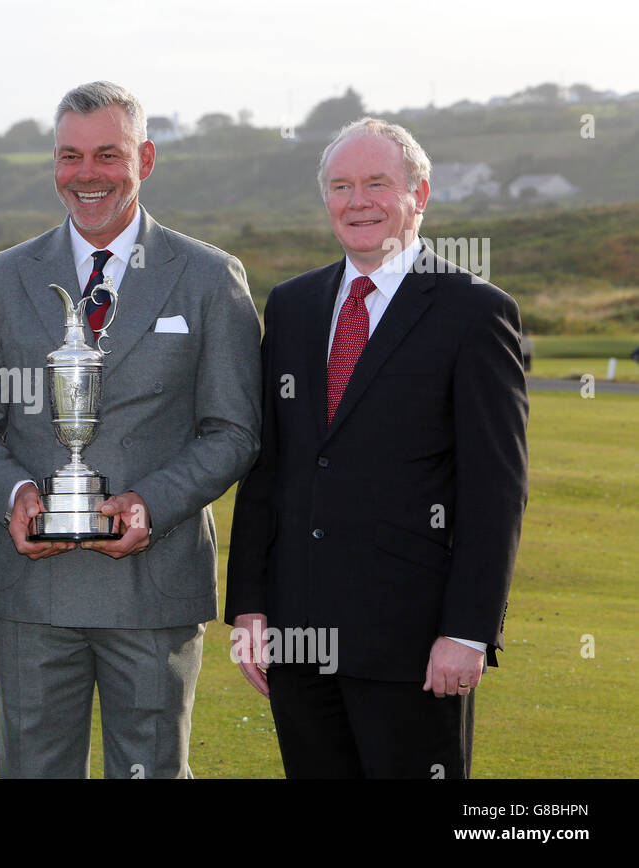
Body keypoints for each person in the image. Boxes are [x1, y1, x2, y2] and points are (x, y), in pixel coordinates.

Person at [0, 81, 262, 778]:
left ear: (144, 158)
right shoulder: (3, 278)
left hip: (155, 583)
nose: (88, 174)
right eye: (70, 156)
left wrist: (152, 503)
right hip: (32, 586)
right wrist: (15, 493)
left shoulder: (210, 277)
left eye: (108, 155)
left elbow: (233, 430)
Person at [225, 118, 529, 778]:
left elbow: (495, 489)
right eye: (340, 185)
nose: (356, 201)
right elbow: (268, 466)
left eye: (376, 184)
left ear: (419, 194)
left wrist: (468, 630)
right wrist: (249, 605)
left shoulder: (474, 311)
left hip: (414, 643)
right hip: (298, 635)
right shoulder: (294, 304)